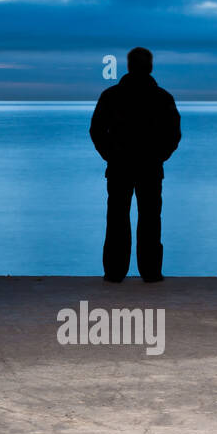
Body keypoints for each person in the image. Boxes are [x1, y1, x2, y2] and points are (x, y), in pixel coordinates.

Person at [89, 47, 181, 283]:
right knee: (150, 219)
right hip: (149, 167)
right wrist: (160, 156)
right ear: (150, 67)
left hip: (121, 166)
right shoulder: (162, 98)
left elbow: (96, 131)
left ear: (128, 66)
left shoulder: (111, 96)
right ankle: (150, 272)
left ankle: (114, 271)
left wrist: (110, 155)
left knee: (118, 218)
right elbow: (174, 134)